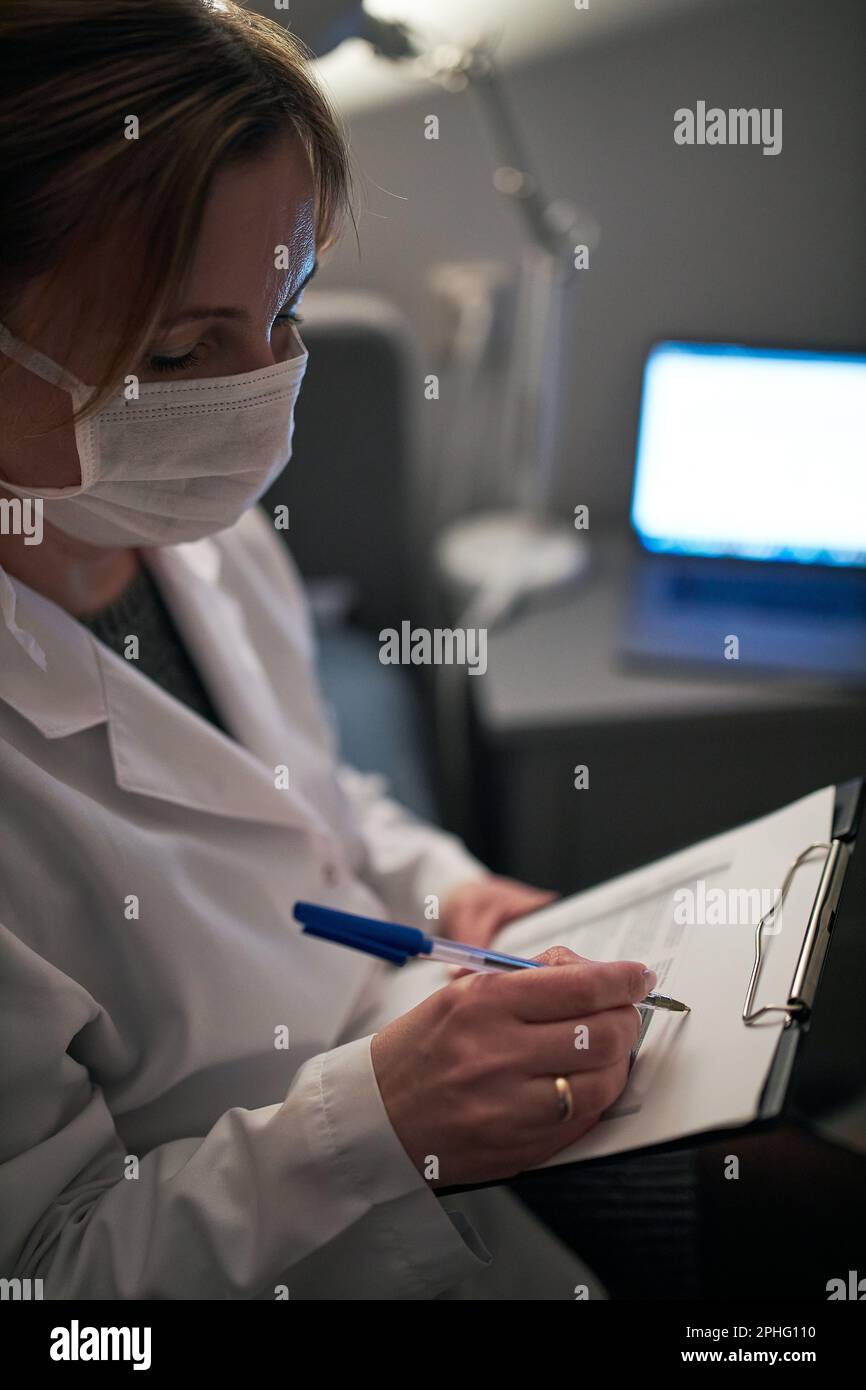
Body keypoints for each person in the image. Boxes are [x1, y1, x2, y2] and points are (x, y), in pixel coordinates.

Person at [0, 0, 649, 1300]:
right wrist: (370, 1123)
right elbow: (47, 1277)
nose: (262, 389)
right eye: (183, 348)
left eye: (285, 307)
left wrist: (446, 892)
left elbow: (311, 802)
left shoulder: (189, 526)